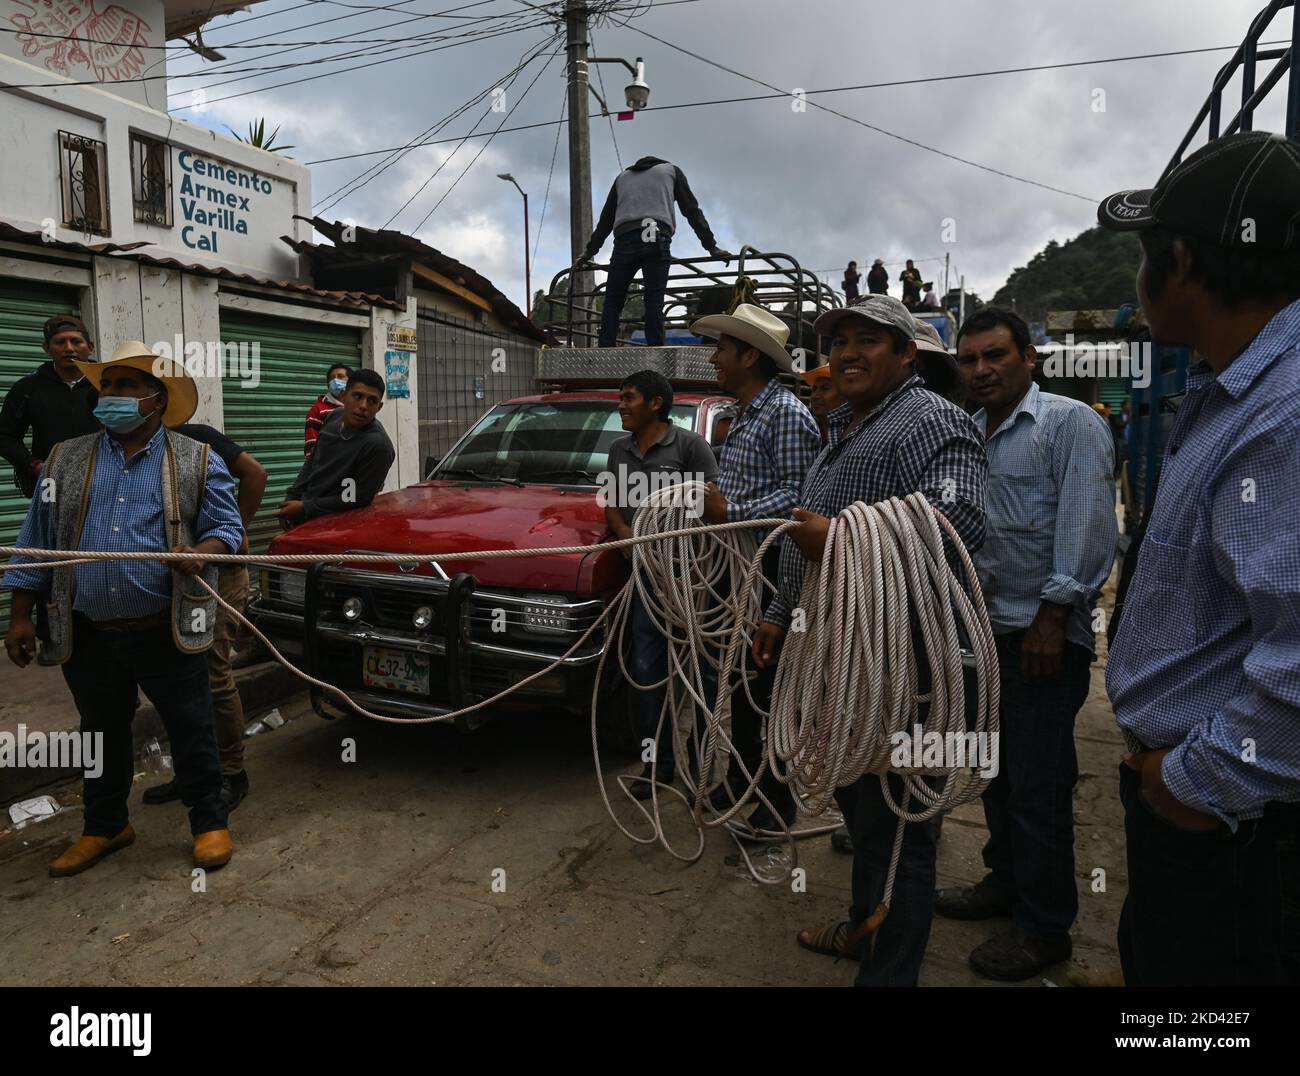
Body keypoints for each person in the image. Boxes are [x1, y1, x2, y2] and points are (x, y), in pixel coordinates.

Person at [1096, 130, 1300, 987]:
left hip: (1232, 827)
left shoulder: (1282, 412)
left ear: (1177, 263)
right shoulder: (1231, 394)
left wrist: (1189, 785)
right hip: (1201, 808)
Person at [752, 294, 987, 987]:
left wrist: (842, 539)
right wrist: (777, 608)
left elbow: (961, 528)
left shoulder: (934, 422)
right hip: (839, 656)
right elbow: (805, 532)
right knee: (862, 811)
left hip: (903, 665)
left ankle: (888, 975)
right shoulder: (845, 427)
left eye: (867, 341)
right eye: (838, 342)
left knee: (901, 837)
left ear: (908, 352)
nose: (847, 354)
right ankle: (864, 931)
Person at [3, 341, 244, 876]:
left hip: (165, 627)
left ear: (156, 400)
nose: (110, 395)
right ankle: (107, 826)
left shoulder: (195, 459)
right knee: (100, 730)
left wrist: (200, 553)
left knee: (191, 725)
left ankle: (208, 820)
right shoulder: (65, 458)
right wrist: (20, 615)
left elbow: (229, 529)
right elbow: (34, 540)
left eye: (125, 387)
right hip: (88, 630)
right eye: (106, 385)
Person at [938, 306, 1117, 980]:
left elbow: (1089, 524)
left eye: (995, 356)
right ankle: (1004, 883)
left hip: (1039, 638)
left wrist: (1053, 616)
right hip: (982, 635)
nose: (981, 370)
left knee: (1039, 787)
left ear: (1028, 359)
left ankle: (1045, 926)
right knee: (997, 775)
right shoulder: (967, 433)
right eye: (971, 359)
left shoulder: (1067, 424)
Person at [691, 303, 821, 834]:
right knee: (742, 682)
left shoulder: (785, 414)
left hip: (770, 571)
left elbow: (801, 498)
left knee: (767, 685)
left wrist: (732, 510)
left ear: (749, 355)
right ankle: (741, 779)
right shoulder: (744, 414)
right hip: (737, 568)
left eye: (722, 347)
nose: (714, 356)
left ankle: (773, 803)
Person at [603, 370, 720, 797]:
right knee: (648, 674)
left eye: (628, 397)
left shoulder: (691, 447)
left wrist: (683, 554)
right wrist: (629, 541)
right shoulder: (619, 450)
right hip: (646, 583)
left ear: (655, 404)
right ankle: (657, 767)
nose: (621, 404)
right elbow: (613, 508)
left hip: (693, 585)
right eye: (620, 397)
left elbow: (715, 510)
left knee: (703, 678)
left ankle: (700, 772)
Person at [142, 422, 267, 811]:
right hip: (172, 582)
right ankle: (193, 772)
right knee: (176, 680)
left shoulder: (199, 439)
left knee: (212, 675)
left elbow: (255, 473)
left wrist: (236, 529)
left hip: (219, 577)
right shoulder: (121, 455)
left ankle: (232, 773)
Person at [579, 156, 733, 347]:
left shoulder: (622, 177)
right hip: (652, 231)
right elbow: (692, 211)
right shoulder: (670, 171)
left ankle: (605, 348)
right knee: (653, 300)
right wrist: (711, 247)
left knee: (612, 302)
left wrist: (588, 252)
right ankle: (655, 348)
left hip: (625, 237)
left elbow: (605, 221)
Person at [277, 369, 395, 528]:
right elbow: (312, 462)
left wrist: (305, 508)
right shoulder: (334, 417)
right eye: (357, 396)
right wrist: (292, 496)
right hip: (304, 515)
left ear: (379, 407)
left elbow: (357, 498)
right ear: (344, 396)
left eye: (371, 401)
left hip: (337, 527)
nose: (363, 406)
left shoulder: (378, 446)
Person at [0, 314, 101, 497]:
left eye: (76, 342)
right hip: (50, 483)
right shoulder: (28, 388)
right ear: (47, 348)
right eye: (60, 342)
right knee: (51, 525)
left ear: (91, 347)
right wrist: (34, 465)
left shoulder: (107, 384)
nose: (69, 348)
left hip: (102, 479)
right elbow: (5, 436)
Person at [305, 363, 350, 459]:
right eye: (332, 378)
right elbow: (311, 449)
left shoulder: (355, 408)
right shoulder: (317, 410)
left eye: (341, 376)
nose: (335, 380)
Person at [801, 364, 844, 445]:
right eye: (814, 389)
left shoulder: (854, 430)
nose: (815, 396)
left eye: (825, 388)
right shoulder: (807, 426)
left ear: (844, 393)